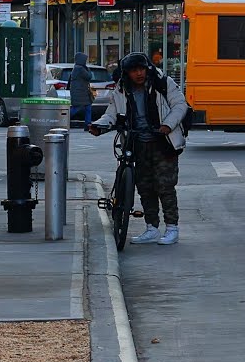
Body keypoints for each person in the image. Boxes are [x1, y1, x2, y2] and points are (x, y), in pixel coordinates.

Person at [89, 52, 189, 245]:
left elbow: (180, 105)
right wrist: (99, 126)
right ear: (126, 73)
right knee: (145, 187)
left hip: (163, 142)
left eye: (141, 69)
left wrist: (167, 125)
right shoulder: (122, 89)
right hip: (137, 144)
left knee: (165, 186)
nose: (139, 74)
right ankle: (151, 228)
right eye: (134, 70)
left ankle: (172, 228)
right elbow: (112, 113)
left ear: (147, 68)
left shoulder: (162, 82)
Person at [68, 52, 94, 131]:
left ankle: (88, 123)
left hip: (81, 92)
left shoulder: (76, 67)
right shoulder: (80, 68)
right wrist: (89, 70)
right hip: (81, 92)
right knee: (77, 108)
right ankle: (64, 118)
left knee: (87, 107)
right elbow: (89, 76)